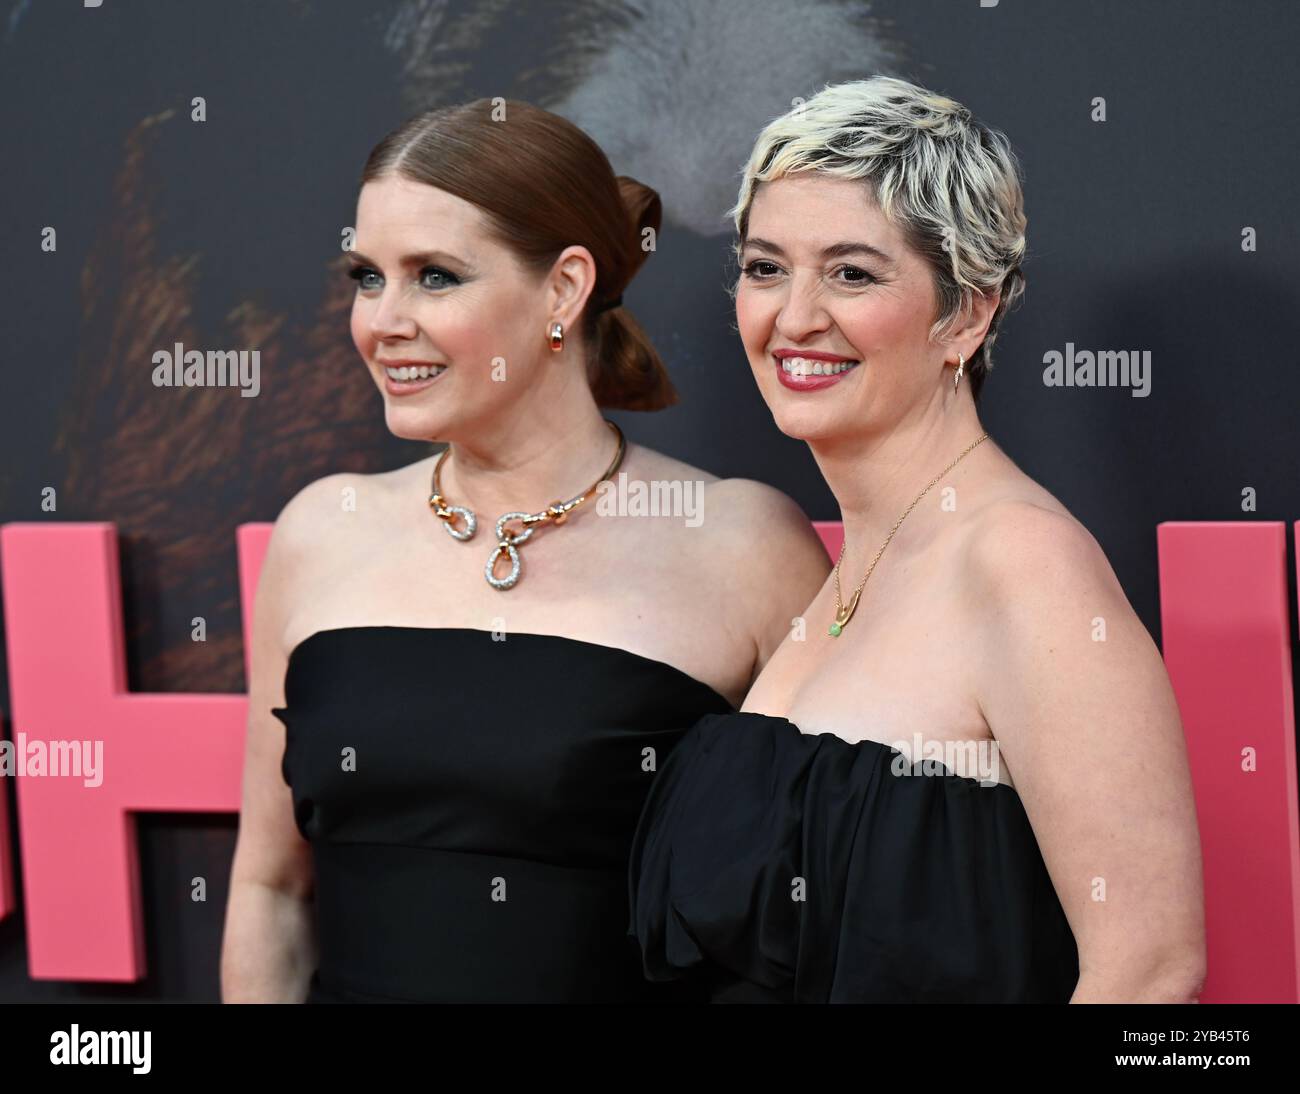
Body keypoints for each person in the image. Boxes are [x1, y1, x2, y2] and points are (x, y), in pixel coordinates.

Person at [220, 99, 830, 1002]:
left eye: (434, 276)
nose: (382, 321)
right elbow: (270, 890)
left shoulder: (745, 544)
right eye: (366, 275)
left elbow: (814, 923)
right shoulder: (321, 530)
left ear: (564, 288)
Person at [628, 76, 1206, 1003]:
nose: (794, 316)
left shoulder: (1022, 565)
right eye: (766, 266)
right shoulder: (849, 568)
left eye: (852, 273)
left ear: (966, 315)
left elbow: (1148, 973)